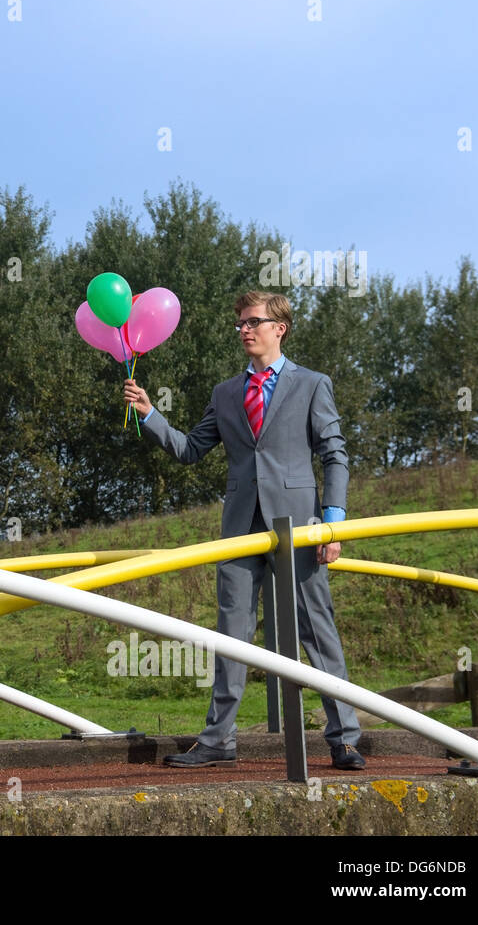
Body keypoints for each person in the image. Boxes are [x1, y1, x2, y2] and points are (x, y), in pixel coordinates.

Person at [122, 291, 365, 770]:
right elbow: (191, 449)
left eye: (254, 322)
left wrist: (333, 525)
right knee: (231, 632)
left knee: (316, 630)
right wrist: (149, 414)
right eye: (240, 324)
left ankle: (345, 738)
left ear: (281, 328)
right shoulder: (226, 392)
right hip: (240, 529)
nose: (245, 330)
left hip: (300, 527)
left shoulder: (313, 384)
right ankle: (218, 742)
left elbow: (334, 454)